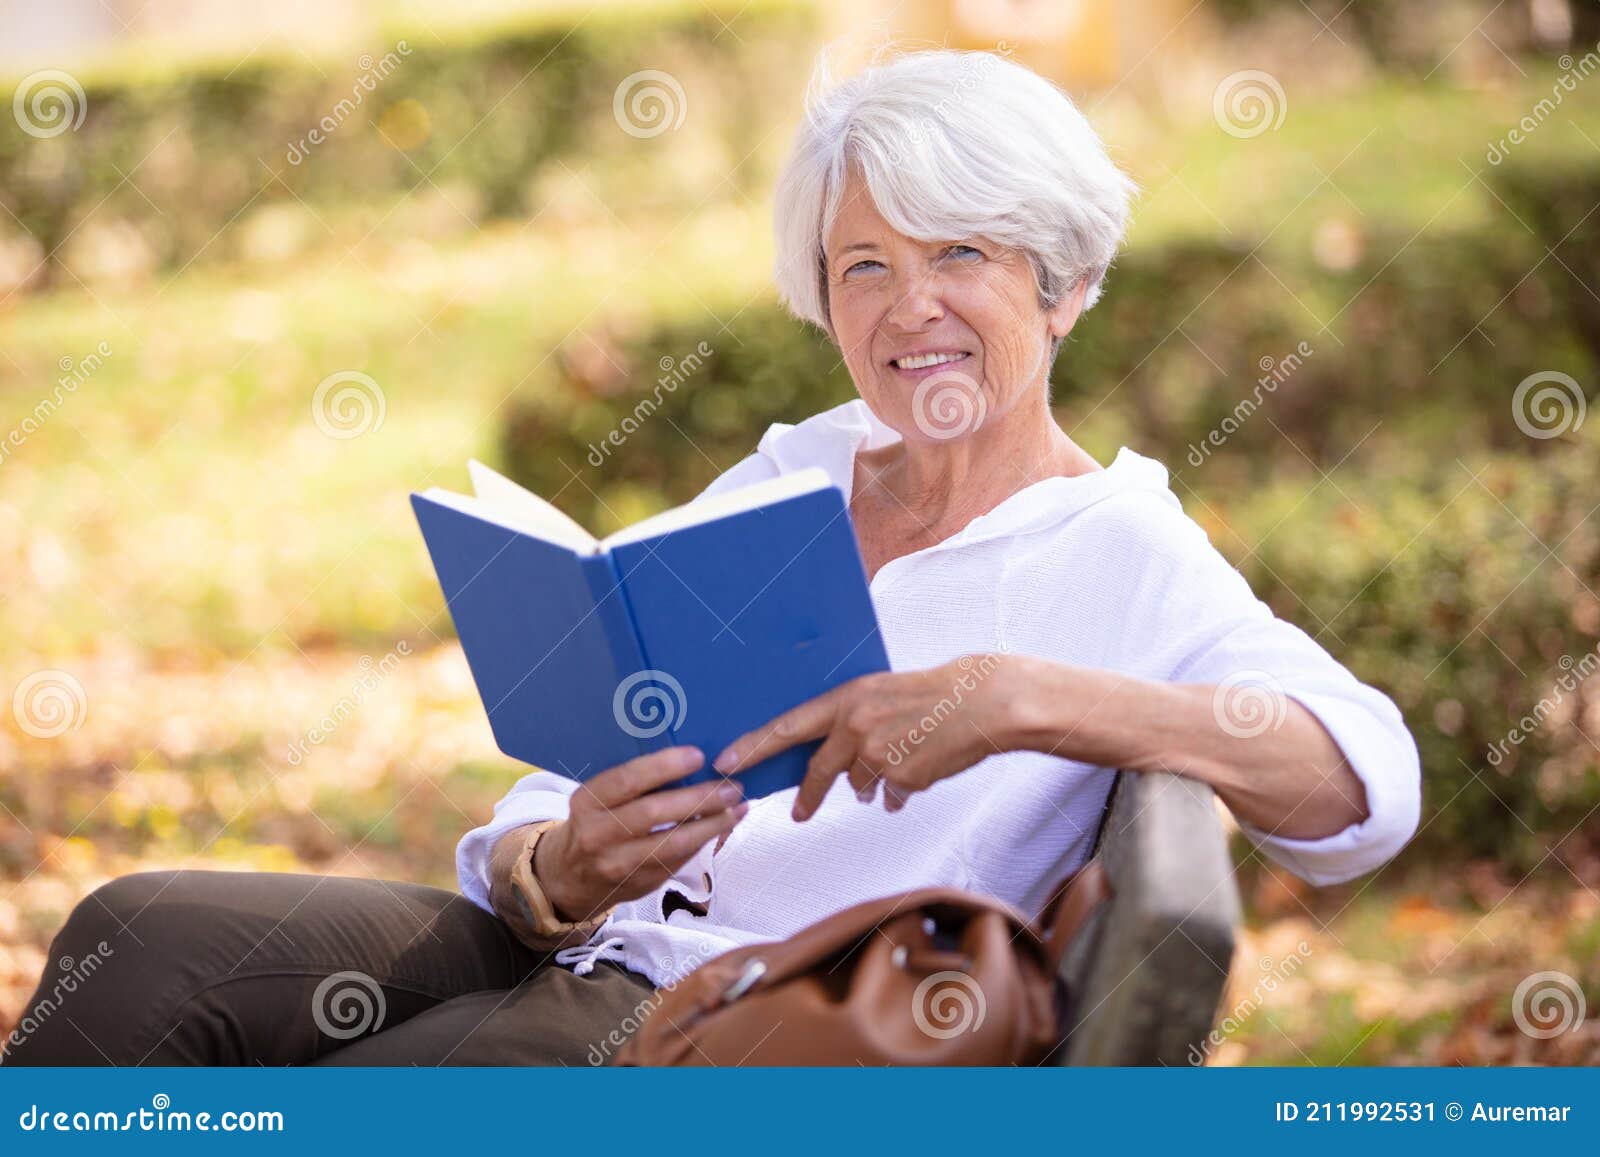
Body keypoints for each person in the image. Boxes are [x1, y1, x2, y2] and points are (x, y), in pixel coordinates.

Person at [3, 48, 1420, 1067]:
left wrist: (1021, 696)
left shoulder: (1121, 550)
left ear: (1065, 286)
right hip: (578, 941)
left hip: (724, 1028)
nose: (910, 307)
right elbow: (582, 741)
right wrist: (560, 859)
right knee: (140, 933)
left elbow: (1369, 787)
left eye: (963, 256)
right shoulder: (799, 466)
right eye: (864, 265)